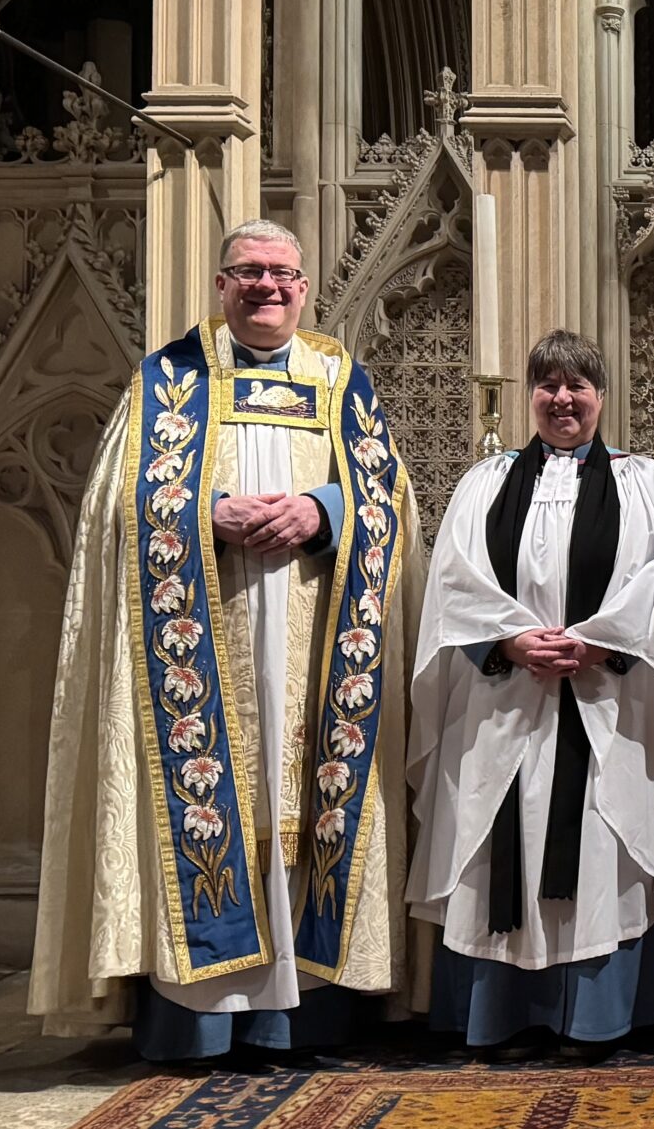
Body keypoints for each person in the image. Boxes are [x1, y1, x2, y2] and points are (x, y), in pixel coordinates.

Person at [29, 220, 424, 1060]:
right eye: (249, 272)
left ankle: (304, 1012)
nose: (267, 287)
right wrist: (203, 514)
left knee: (307, 799)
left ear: (307, 287)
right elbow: (112, 514)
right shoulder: (166, 380)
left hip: (317, 634)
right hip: (206, 631)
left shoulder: (339, 379)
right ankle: (201, 1019)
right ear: (221, 283)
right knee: (214, 800)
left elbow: (391, 503)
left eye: (283, 273)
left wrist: (324, 512)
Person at [406, 328, 654, 1052]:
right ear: (530, 395)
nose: (562, 398)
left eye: (577, 385)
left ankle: (595, 1017)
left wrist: (601, 639)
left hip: (606, 697)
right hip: (504, 699)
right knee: (499, 840)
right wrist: (508, 639)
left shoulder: (643, 481)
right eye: (548, 384)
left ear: (602, 397)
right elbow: (455, 578)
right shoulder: (486, 481)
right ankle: (503, 1015)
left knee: (602, 844)